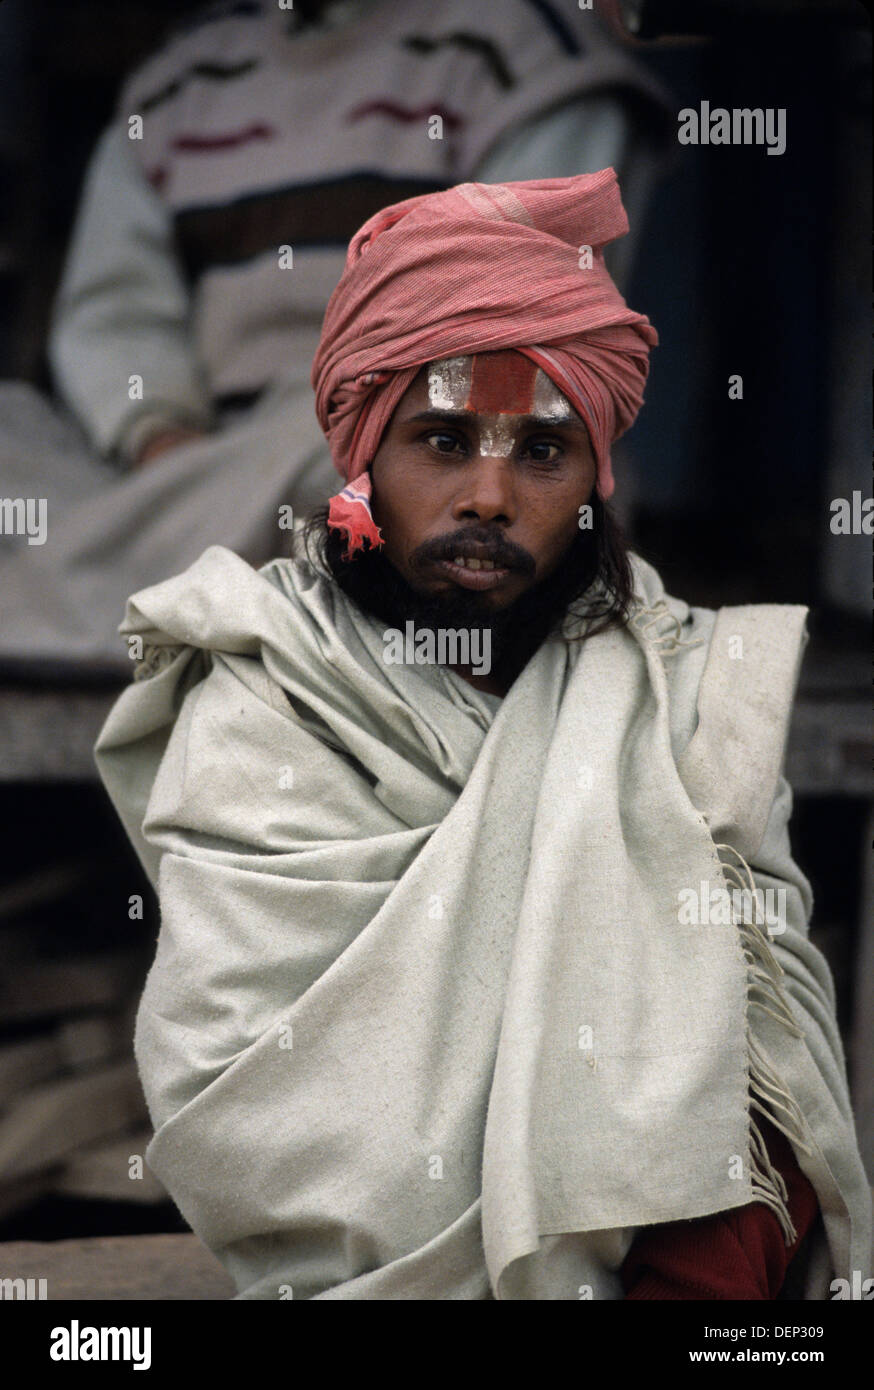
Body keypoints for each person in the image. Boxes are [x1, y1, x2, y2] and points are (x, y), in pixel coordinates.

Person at [94, 170, 871, 1300]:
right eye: (443, 441)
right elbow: (237, 1087)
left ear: (595, 481)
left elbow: (772, 1039)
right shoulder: (264, 700)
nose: (490, 497)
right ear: (363, 459)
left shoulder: (683, 695)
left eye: (542, 453)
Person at [0, 0, 669, 671]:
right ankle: (180, 588)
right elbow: (115, 312)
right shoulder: (180, 81)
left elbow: (501, 333)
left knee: (375, 464)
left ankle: (88, 594)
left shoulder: (525, 54)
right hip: (184, 467)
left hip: (379, 432)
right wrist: (161, 441)